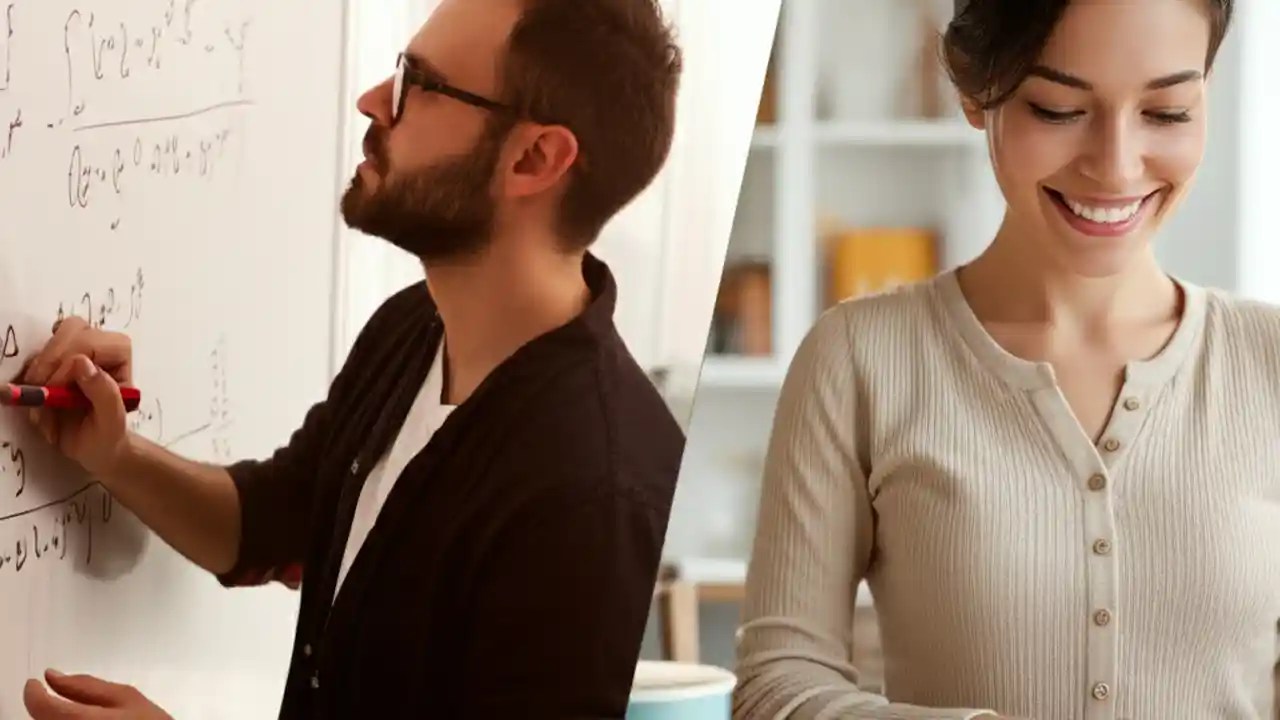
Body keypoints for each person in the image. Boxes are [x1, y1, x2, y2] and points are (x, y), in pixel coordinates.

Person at [19, 0, 684, 717]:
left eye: (416, 83)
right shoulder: (415, 328)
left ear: (534, 158)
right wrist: (115, 454)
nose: (372, 101)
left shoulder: (597, 500)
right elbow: (268, 522)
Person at [733, 1, 1278, 719]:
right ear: (974, 88)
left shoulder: (1267, 362)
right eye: (1057, 108)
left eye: (1168, 112)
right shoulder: (860, 360)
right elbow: (777, 688)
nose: (1115, 166)